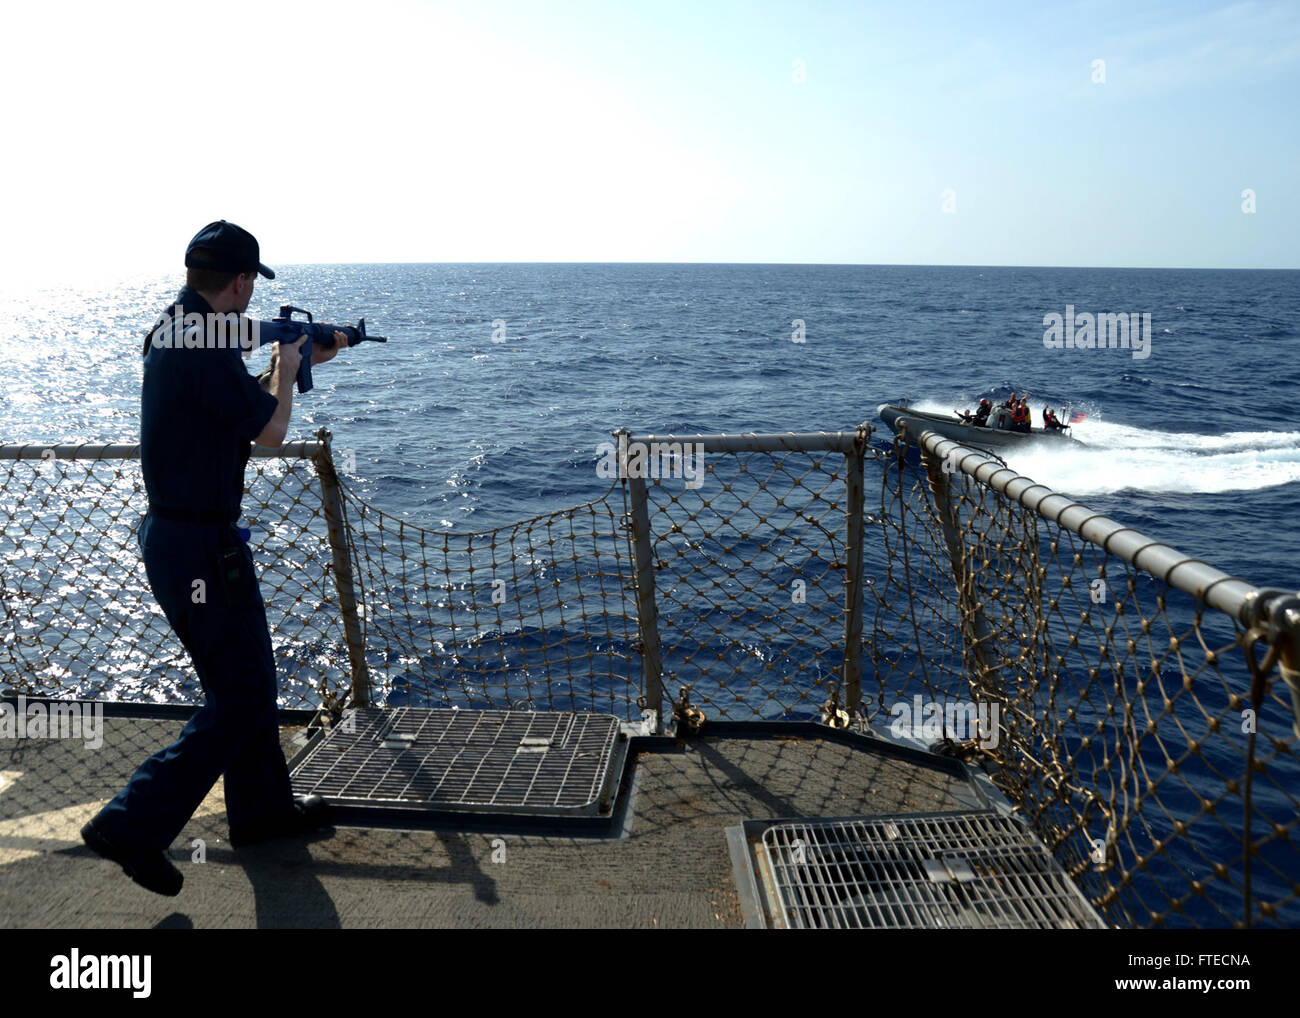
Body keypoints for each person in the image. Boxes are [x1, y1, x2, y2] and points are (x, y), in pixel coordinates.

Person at [81, 221, 345, 896]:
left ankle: (262, 814)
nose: (251, 294)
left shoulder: (182, 328)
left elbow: (227, 404)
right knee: (244, 692)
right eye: (251, 281)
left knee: (249, 678)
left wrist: (300, 357)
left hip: (186, 538)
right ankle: (131, 822)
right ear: (241, 280)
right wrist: (289, 372)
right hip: (199, 545)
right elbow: (271, 430)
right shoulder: (203, 345)